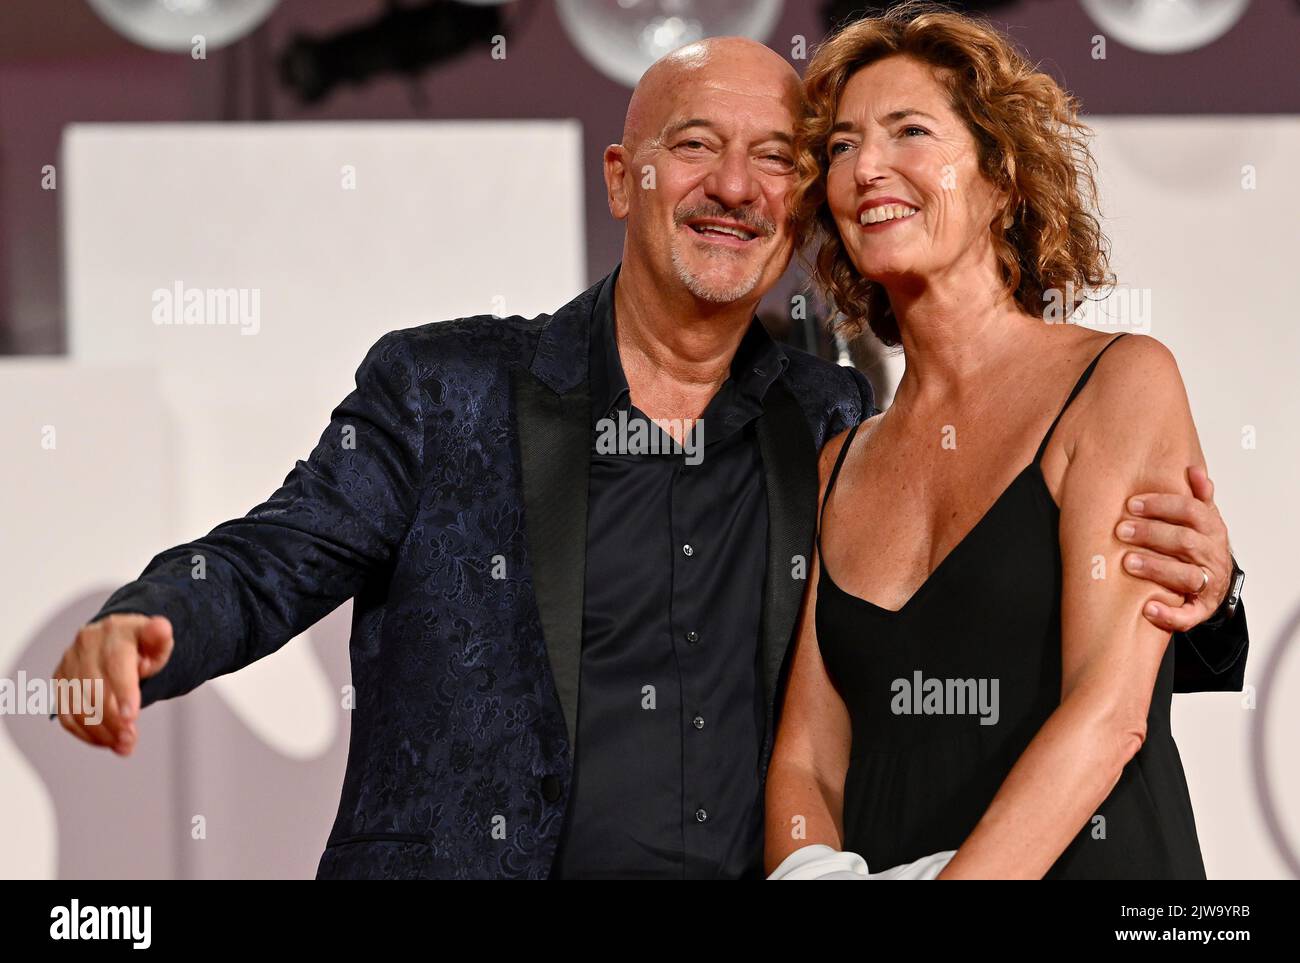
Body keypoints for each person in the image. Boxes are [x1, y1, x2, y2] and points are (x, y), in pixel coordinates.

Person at [53, 34, 1244, 880]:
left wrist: (1207, 594)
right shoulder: (448, 390)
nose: (734, 186)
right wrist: (152, 618)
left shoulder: (822, 421)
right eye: (693, 147)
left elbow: (995, 617)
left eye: (778, 155)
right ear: (623, 179)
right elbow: (276, 553)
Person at [765, 5, 1243, 880]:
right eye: (840, 146)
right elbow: (806, 762)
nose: (867, 167)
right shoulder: (837, 463)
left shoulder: (1121, 381)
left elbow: (1111, 716)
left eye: (910, 131)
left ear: (1004, 177)